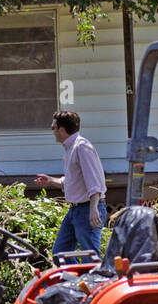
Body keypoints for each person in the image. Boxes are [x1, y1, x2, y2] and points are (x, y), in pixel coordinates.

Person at [35, 110, 107, 259]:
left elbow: (95, 182)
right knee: (60, 254)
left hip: (88, 208)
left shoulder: (82, 147)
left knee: (90, 257)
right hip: (75, 210)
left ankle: (94, 282)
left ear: (62, 130)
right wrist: (50, 180)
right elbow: (70, 181)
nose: (52, 131)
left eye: (53, 128)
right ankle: (77, 281)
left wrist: (94, 209)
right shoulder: (71, 148)